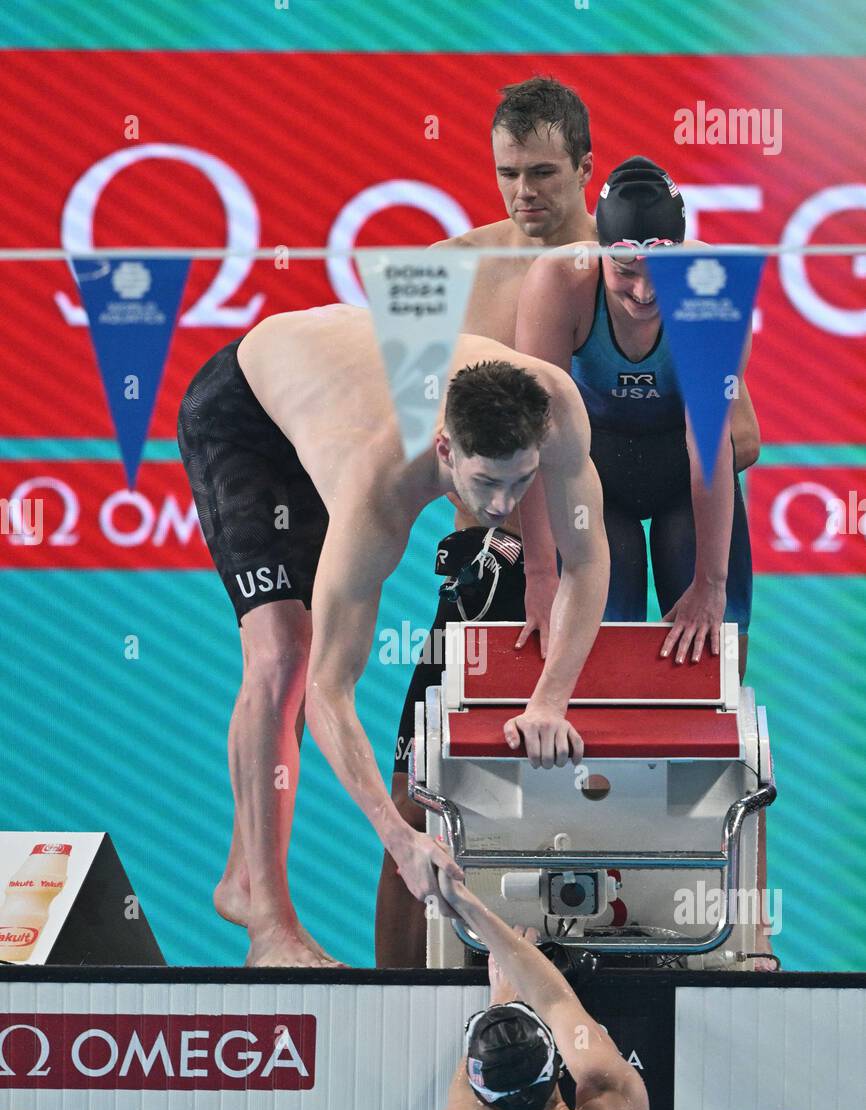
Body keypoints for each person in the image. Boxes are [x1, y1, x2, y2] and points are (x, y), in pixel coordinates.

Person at [177, 305, 608, 966]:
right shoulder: (379, 485)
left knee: (299, 650)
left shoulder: (554, 402)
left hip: (328, 388)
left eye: (521, 480)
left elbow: (586, 560)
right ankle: (266, 917)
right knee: (287, 653)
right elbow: (331, 689)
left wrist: (550, 700)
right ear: (444, 449)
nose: (503, 505)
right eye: (486, 483)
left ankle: (243, 873)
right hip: (243, 413)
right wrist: (397, 836)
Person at [515, 155, 776, 966]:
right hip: (597, 479)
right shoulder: (560, 284)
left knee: (714, 675)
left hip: (684, 475)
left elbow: (710, 449)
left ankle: (720, 918)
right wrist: (541, 573)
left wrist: (708, 581)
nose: (641, 291)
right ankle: (604, 900)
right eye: (626, 270)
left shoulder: (704, 291)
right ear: (601, 254)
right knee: (606, 673)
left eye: (657, 268)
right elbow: (535, 438)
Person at [376, 74, 598, 966]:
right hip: (494, 555)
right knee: (416, 791)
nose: (524, 194)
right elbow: (407, 433)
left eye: (544, 173)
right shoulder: (450, 265)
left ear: (587, 166)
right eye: (509, 173)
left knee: (596, 790)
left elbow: (734, 439)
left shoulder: (630, 278)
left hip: (598, 558)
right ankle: (387, 999)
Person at [422, 878, 658, 1110]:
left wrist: (499, 1006)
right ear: (558, 1065)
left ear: (481, 1095)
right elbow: (556, 1002)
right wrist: (464, 903)